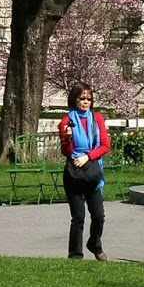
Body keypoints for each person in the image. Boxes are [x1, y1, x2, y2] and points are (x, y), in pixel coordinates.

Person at [58, 83, 110, 260]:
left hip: (92, 171)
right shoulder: (67, 121)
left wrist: (88, 156)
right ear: (74, 99)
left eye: (89, 99)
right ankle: (75, 255)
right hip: (73, 173)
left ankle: (94, 243)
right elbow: (65, 151)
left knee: (98, 215)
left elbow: (105, 146)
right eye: (82, 98)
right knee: (78, 216)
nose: (85, 102)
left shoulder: (97, 120)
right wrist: (67, 138)